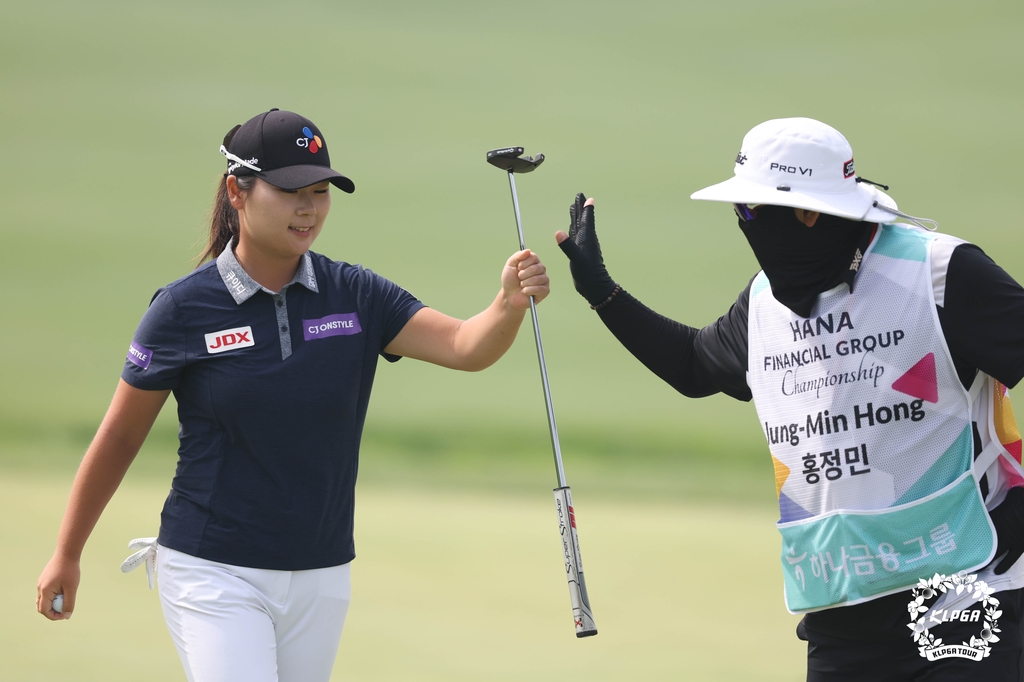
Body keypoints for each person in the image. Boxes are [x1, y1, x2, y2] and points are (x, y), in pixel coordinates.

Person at [36, 108, 550, 682]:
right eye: (289, 192)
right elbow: (121, 434)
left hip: (320, 572)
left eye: (320, 191)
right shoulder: (182, 309)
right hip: (212, 568)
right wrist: (68, 552)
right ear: (238, 190)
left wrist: (507, 305)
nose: (309, 208)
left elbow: (463, 346)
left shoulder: (354, 293)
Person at [555, 117, 1024, 679]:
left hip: (967, 598)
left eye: (751, 212)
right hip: (841, 616)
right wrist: (601, 291)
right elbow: (695, 366)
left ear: (808, 213)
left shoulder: (940, 273)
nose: (741, 223)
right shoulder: (764, 304)